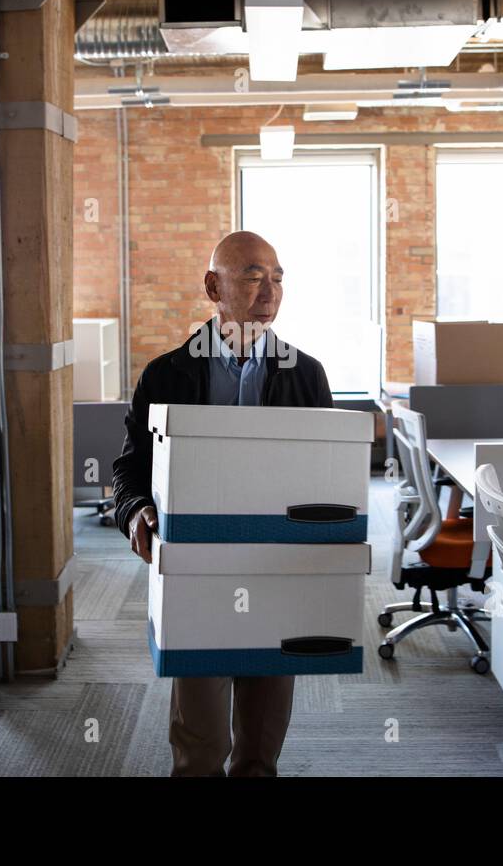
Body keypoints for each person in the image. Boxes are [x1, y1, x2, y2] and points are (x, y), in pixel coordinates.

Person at [111, 230, 334, 776]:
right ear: (214, 286)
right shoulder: (166, 374)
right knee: (200, 742)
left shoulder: (306, 375)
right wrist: (136, 508)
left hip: (278, 565)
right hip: (197, 567)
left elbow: (329, 476)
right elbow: (129, 467)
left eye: (278, 276)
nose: (270, 289)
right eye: (254, 274)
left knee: (261, 743)